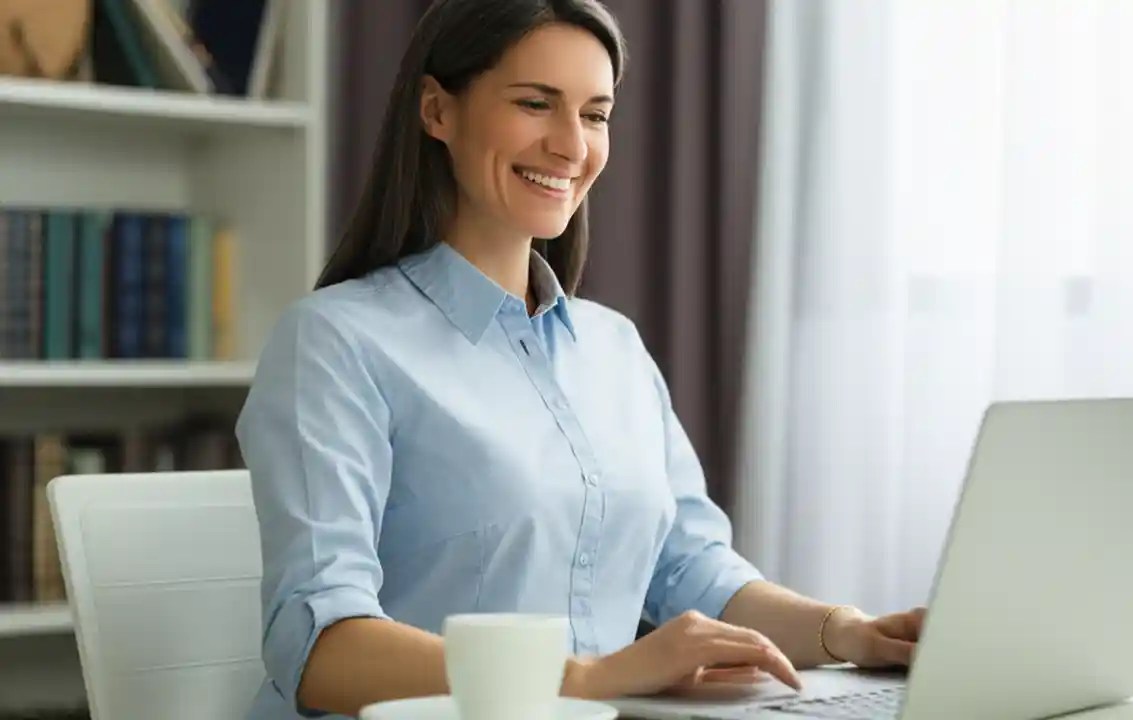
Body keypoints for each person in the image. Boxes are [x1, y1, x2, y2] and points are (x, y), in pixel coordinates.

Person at [236, 0, 926, 717]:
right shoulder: (336, 341)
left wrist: (848, 631)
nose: (571, 146)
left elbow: (691, 567)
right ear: (437, 110)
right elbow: (317, 645)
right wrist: (589, 679)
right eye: (536, 104)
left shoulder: (614, 348)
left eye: (595, 115)